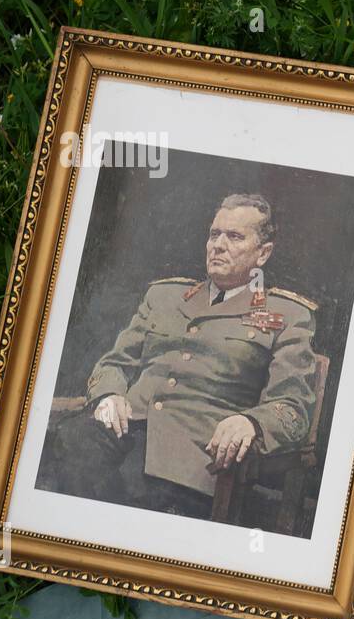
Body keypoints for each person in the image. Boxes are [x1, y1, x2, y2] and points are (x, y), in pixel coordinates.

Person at [42, 193, 318, 520]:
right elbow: (115, 362)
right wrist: (109, 393)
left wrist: (252, 422)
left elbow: (292, 407)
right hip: (120, 436)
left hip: (189, 460)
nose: (218, 245)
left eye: (234, 237)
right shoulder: (163, 296)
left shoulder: (287, 314)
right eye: (214, 234)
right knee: (66, 445)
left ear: (263, 253)